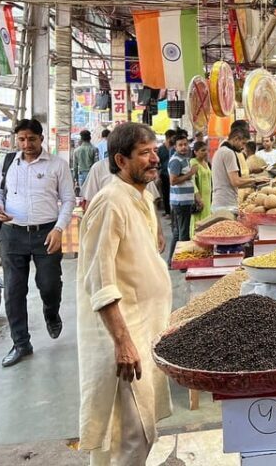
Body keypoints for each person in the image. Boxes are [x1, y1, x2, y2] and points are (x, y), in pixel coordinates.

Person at [76, 122, 171, 465]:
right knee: (129, 439)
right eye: (144, 153)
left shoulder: (140, 197)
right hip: (126, 334)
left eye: (155, 150)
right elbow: (99, 281)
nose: (154, 159)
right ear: (120, 159)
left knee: (139, 432)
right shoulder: (109, 202)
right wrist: (122, 341)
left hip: (145, 330)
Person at [0, 118, 76, 367]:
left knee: (49, 284)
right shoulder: (8, 163)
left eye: (31, 139)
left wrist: (59, 229)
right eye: (22, 139)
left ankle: (51, 312)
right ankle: (20, 343)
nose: (26, 144)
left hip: (46, 233)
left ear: (41, 139)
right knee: (14, 290)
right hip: (12, 234)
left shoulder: (57, 165)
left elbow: (68, 199)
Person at [81, 157, 165, 252]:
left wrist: (158, 232)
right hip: (108, 234)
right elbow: (90, 206)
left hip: (138, 234)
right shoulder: (98, 168)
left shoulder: (141, 167)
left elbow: (151, 204)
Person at [211, 120, 260, 215]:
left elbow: (231, 182)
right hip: (226, 205)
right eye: (243, 143)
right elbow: (235, 181)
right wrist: (255, 179)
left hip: (221, 203)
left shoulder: (223, 150)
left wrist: (253, 183)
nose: (243, 147)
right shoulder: (228, 153)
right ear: (236, 139)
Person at [168, 134, 198, 261]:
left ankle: (172, 260)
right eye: (180, 145)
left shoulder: (184, 158)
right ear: (175, 147)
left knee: (178, 231)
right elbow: (173, 181)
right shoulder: (176, 160)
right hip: (180, 202)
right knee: (183, 233)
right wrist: (190, 174)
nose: (184, 147)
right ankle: (182, 261)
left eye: (185, 144)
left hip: (184, 201)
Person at [189, 141, 212, 237]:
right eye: (202, 150)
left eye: (206, 150)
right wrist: (197, 196)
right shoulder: (193, 163)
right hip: (199, 198)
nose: (206, 152)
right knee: (198, 220)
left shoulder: (206, 163)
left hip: (208, 198)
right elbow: (192, 181)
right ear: (195, 152)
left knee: (207, 219)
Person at [157, 130, 176, 216]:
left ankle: (173, 212)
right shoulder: (161, 149)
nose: (174, 139)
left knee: (174, 193)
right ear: (168, 137)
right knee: (166, 193)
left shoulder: (175, 148)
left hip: (175, 174)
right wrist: (157, 176)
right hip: (164, 175)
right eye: (173, 137)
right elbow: (157, 163)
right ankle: (168, 211)